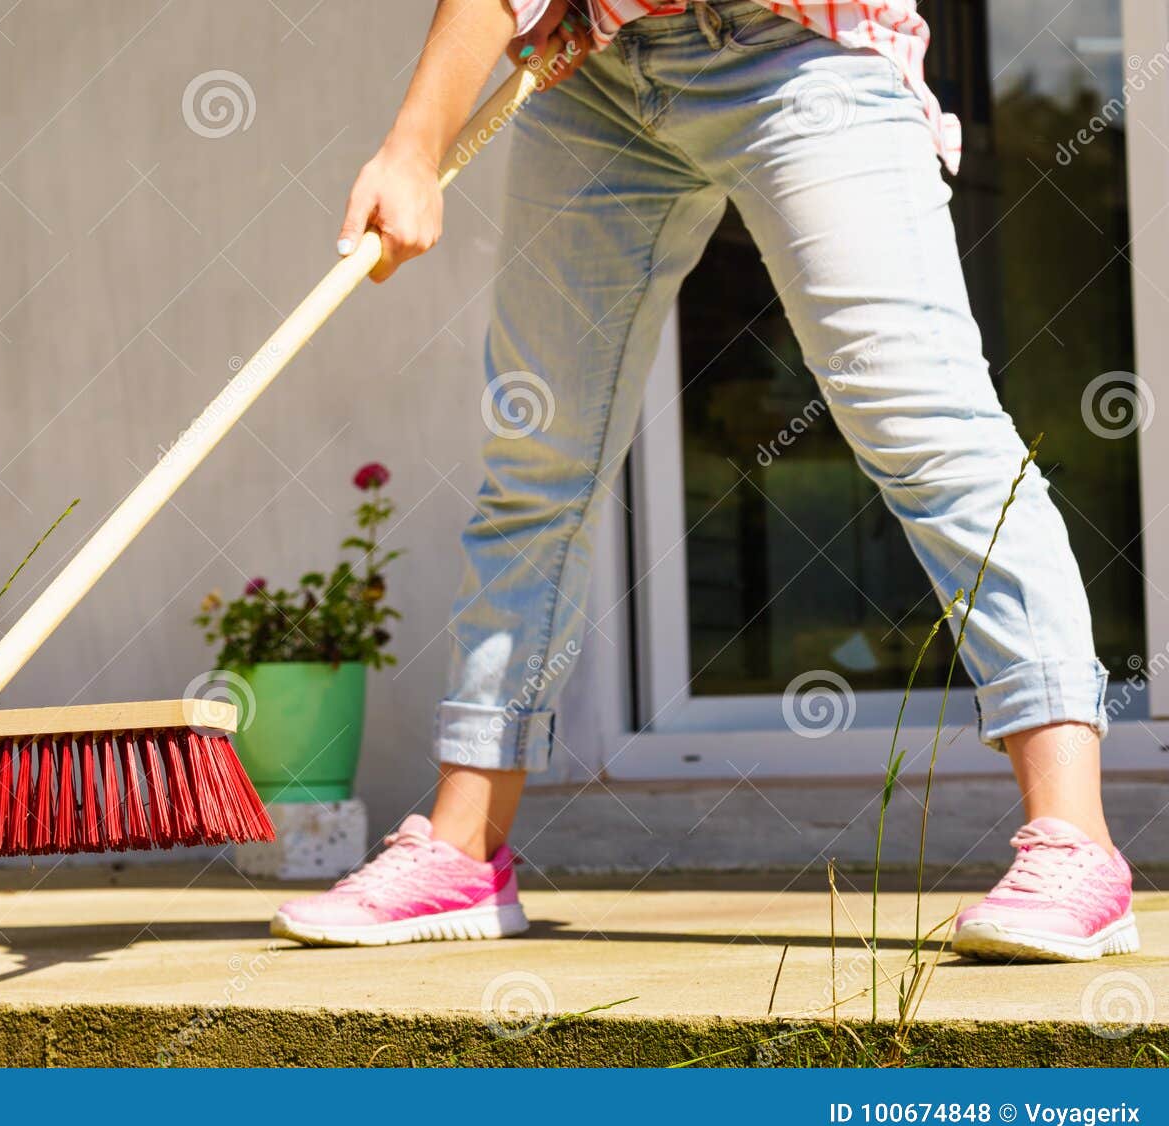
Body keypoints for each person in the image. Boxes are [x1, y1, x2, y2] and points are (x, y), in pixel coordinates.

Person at [270, 0, 1137, 963]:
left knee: (930, 435)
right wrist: (411, 145)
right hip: (595, 76)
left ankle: (1076, 844)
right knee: (537, 463)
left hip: (802, 53)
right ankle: (462, 851)